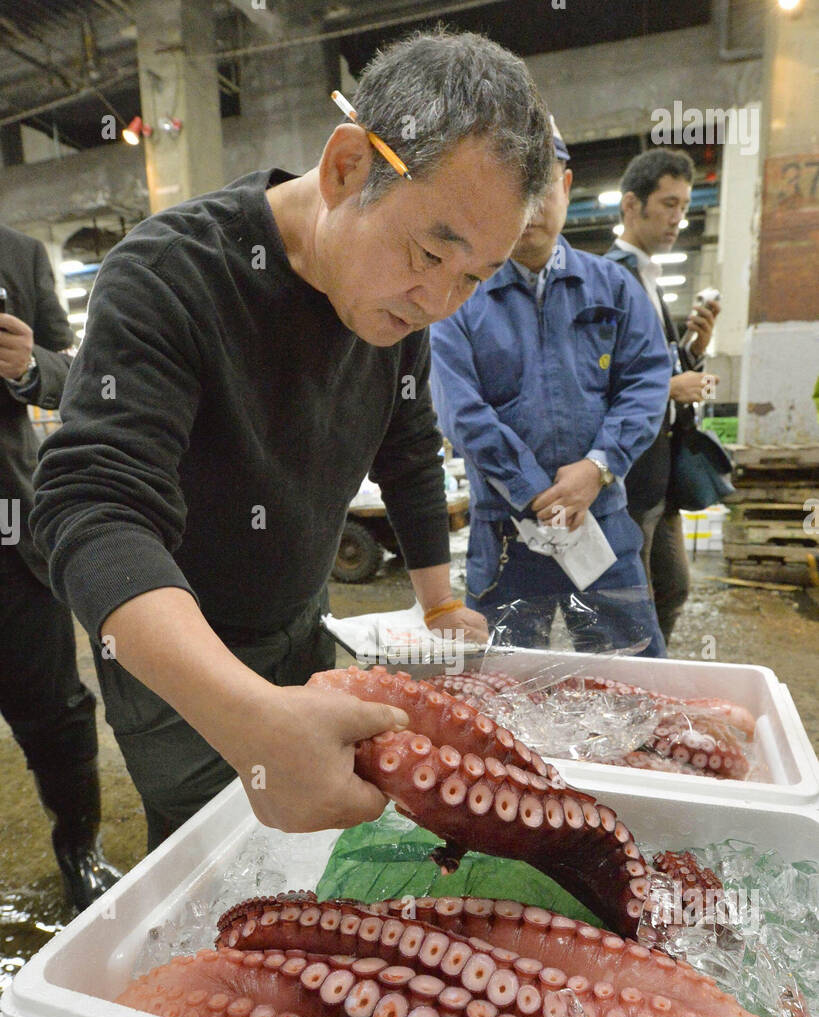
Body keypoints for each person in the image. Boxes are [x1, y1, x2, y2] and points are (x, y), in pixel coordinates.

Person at [32, 29, 552, 852]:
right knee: (219, 858)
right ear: (347, 166)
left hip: (300, 618)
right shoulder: (170, 276)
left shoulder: (399, 309)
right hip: (179, 652)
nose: (440, 301)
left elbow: (410, 447)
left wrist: (440, 601)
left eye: (470, 279)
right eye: (429, 254)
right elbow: (91, 506)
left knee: (339, 846)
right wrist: (245, 716)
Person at [429, 121, 671, 657]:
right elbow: (460, 410)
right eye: (517, 192)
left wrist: (597, 468)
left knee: (632, 676)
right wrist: (533, 491)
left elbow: (646, 382)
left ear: (565, 186)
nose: (532, 207)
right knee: (501, 687)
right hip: (508, 533)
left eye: (543, 188)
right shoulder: (458, 297)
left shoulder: (613, 288)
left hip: (600, 520)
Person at [0, 225, 120, 910]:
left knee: (55, 710)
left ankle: (79, 849)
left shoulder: (16, 252)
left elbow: (75, 376)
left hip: (9, 533)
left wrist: (27, 365)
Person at [605, 149, 721, 643]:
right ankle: (629, 699)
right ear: (632, 205)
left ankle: (650, 683)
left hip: (661, 474)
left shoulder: (650, 279)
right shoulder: (609, 279)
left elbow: (656, 366)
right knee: (630, 606)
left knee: (670, 590)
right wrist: (670, 387)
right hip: (627, 475)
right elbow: (596, 378)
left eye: (684, 206)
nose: (679, 217)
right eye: (669, 204)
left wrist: (695, 347)